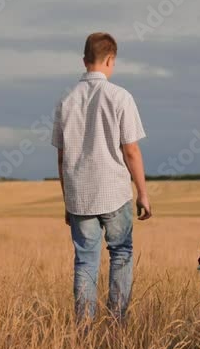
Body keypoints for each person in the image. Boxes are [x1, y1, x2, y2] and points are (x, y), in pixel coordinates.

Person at [51, 32, 152, 324]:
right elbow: (131, 150)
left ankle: (84, 329)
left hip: (79, 195)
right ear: (111, 60)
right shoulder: (120, 97)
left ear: (84, 61)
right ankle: (116, 325)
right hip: (114, 192)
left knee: (85, 261)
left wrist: (67, 200)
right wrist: (142, 193)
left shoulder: (65, 101)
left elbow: (62, 157)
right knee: (120, 253)